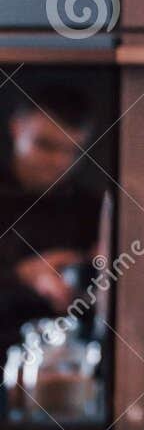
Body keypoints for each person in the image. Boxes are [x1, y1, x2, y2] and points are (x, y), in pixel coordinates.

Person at [0, 83, 102, 346]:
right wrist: (21, 277)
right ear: (16, 128)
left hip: (65, 362)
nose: (59, 163)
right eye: (44, 145)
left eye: (72, 151)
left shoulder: (95, 212)